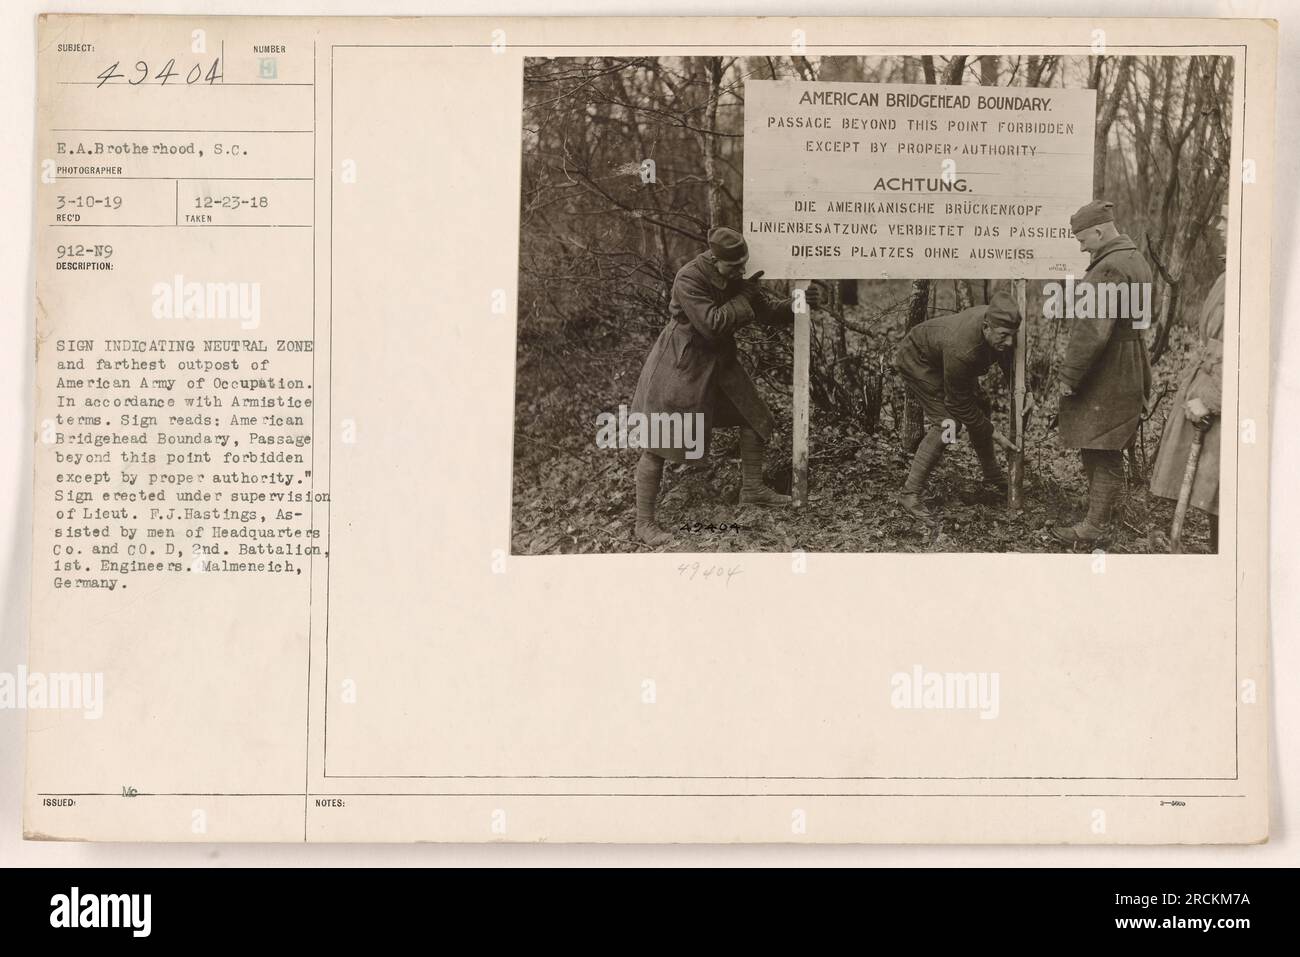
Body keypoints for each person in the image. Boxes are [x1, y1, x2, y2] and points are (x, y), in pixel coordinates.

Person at [629, 227, 823, 546]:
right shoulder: (688, 278)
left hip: (718, 364)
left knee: (754, 417)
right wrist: (745, 294)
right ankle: (644, 522)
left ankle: (752, 489)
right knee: (658, 441)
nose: (740, 272)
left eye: (743, 265)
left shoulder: (733, 275)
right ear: (715, 259)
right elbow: (712, 324)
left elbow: (768, 312)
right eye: (734, 267)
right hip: (681, 364)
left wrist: (798, 302)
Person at [1051, 199, 1153, 546]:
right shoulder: (1135, 259)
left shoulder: (1108, 268)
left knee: (1099, 446)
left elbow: (1092, 330)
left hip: (1109, 368)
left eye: (1082, 239)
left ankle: (1093, 527)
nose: (1081, 246)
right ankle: (1115, 510)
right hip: (1131, 361)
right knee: (1108, 442)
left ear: (1099, 230)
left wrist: (1070, 376)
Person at [893, 285, 1024, 522]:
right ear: (986, 328)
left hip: (942, 356)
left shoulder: (1000, 324)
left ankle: (992, 475)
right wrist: (994, 433)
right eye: (1003, 335)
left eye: (1012, 335)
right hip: (918, 358)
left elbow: (1009, 360)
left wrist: (1028, 392)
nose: (1009, 341)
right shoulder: (963, 349)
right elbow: (958, 404)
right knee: (948, 424)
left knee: (981, 406)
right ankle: (909, 493)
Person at [1149, 204, 1227, 549]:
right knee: (1220, 499)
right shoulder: (1232, 274)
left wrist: (1210, 398)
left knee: (1229, 494)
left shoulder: (1253, 276)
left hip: (1226, 397)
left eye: (1226, 219)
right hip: (1215, 384)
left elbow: (1245, 350)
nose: (1217, 225)